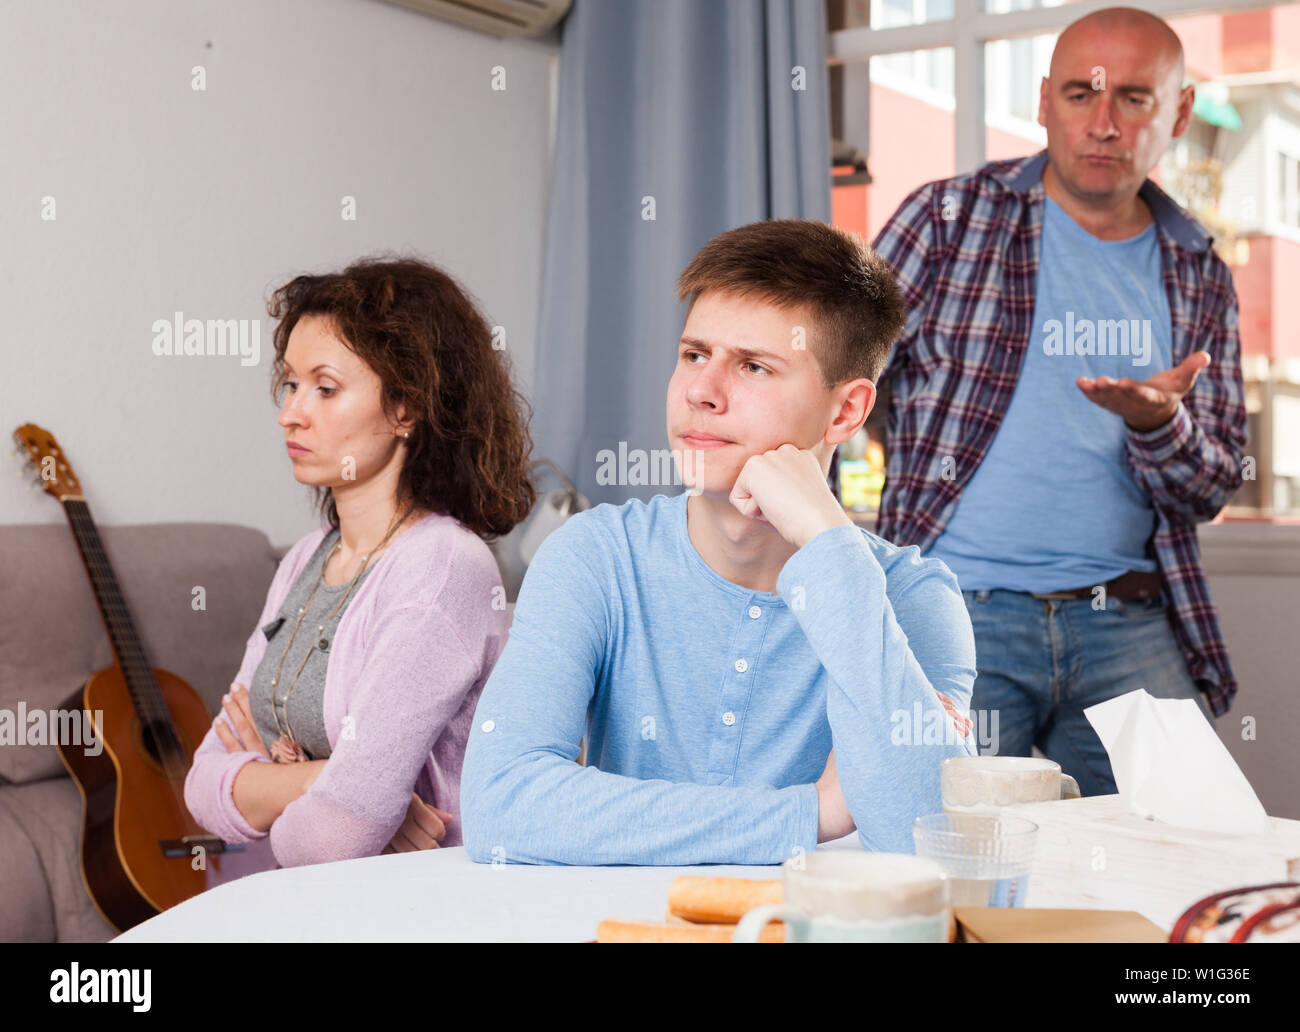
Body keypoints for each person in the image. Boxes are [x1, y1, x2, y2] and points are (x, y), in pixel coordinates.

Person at [460, 219, 977, 866]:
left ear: (845, 412)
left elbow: (927, 839)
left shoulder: (914, 597)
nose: (701, 392)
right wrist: (810, 813)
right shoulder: (594, 557)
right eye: (695, 354)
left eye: (755, 367)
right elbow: (501, 806)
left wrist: (828, 545)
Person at [869, 7, 1247, 794]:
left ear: (1178, 112)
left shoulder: (1199, 271)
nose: (1103, 124)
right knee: (936, 855)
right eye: (1081, 94)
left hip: (1128, 622)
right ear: (1046, 103)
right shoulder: (946, 219)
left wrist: (1160, 422)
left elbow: (1209, 486)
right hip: (955, 612)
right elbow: (840, 377)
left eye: (1134, 99)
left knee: (1184, 852)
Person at [184, 256, 535, 868]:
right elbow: (200, 784)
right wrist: (333, 781)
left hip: (406, 911)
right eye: (291, 383)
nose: (290, 412)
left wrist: (284, 783)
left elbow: (332, 839)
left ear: (406, 408)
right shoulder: (302, 560)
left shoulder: (445, 566)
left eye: (325, 387)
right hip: (286, 905)